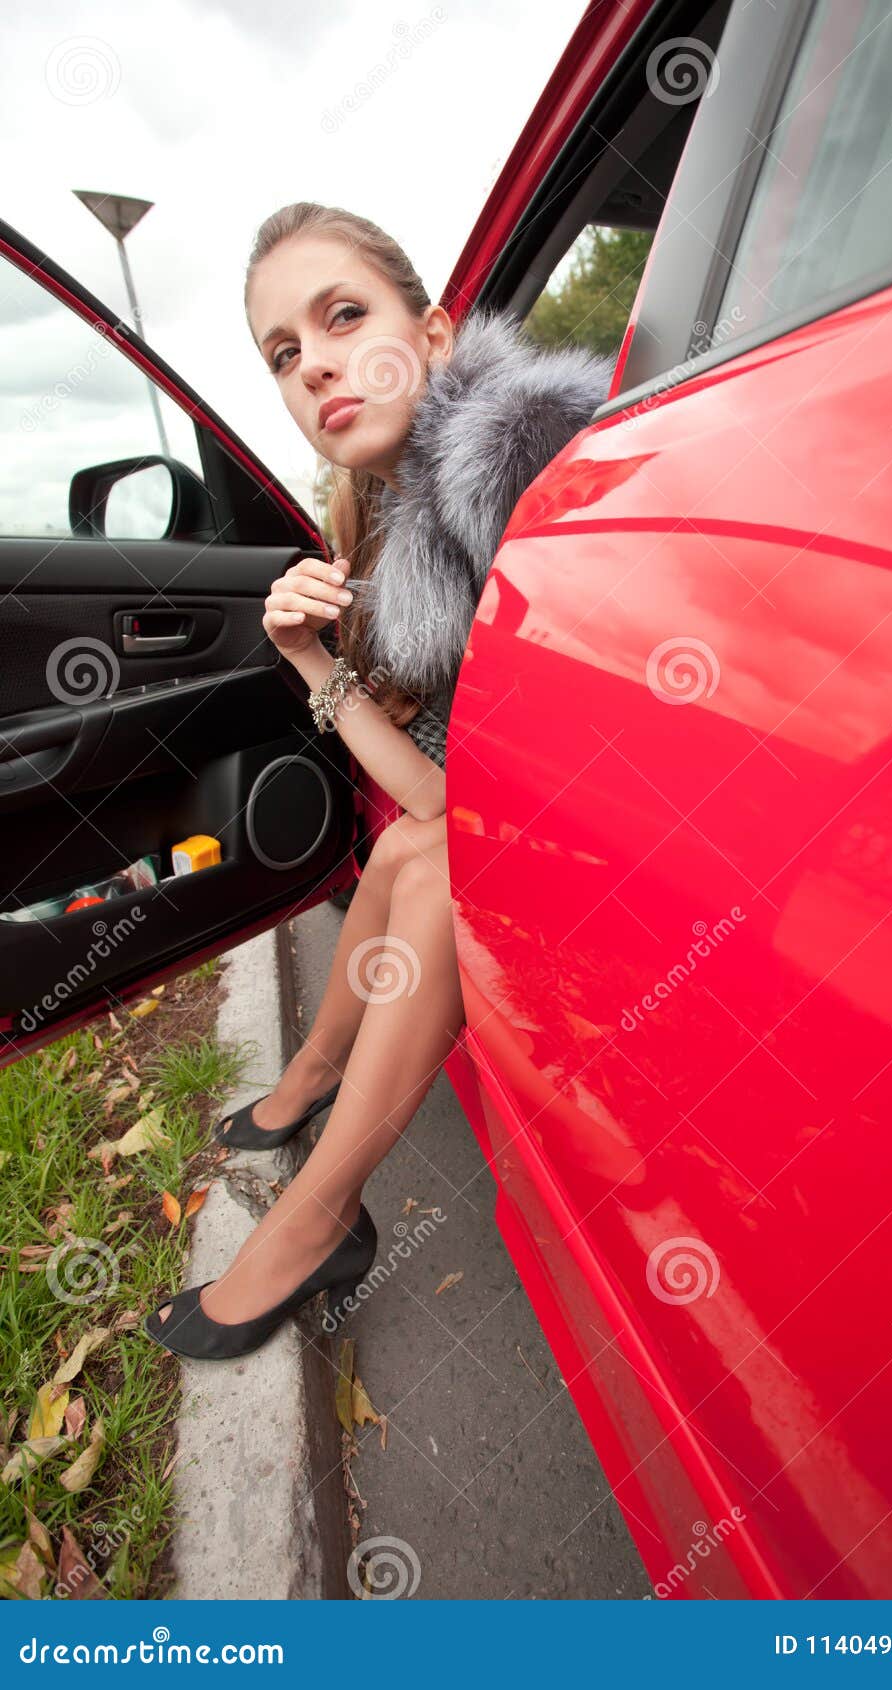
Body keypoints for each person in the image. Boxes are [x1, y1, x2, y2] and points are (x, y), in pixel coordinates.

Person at [143, 201, 616, 1361]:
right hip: (542, 825)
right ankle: (312, 1075)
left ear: (439, 336)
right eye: (284, 355)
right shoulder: (395, 518)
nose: (315, 367)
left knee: (441, 855)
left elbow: (538, 796)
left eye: (343, 316)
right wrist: (307, 658)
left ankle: (317, 1215)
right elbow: (430, 797)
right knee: (416, 844)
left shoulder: (528, 469)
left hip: (668, 833)